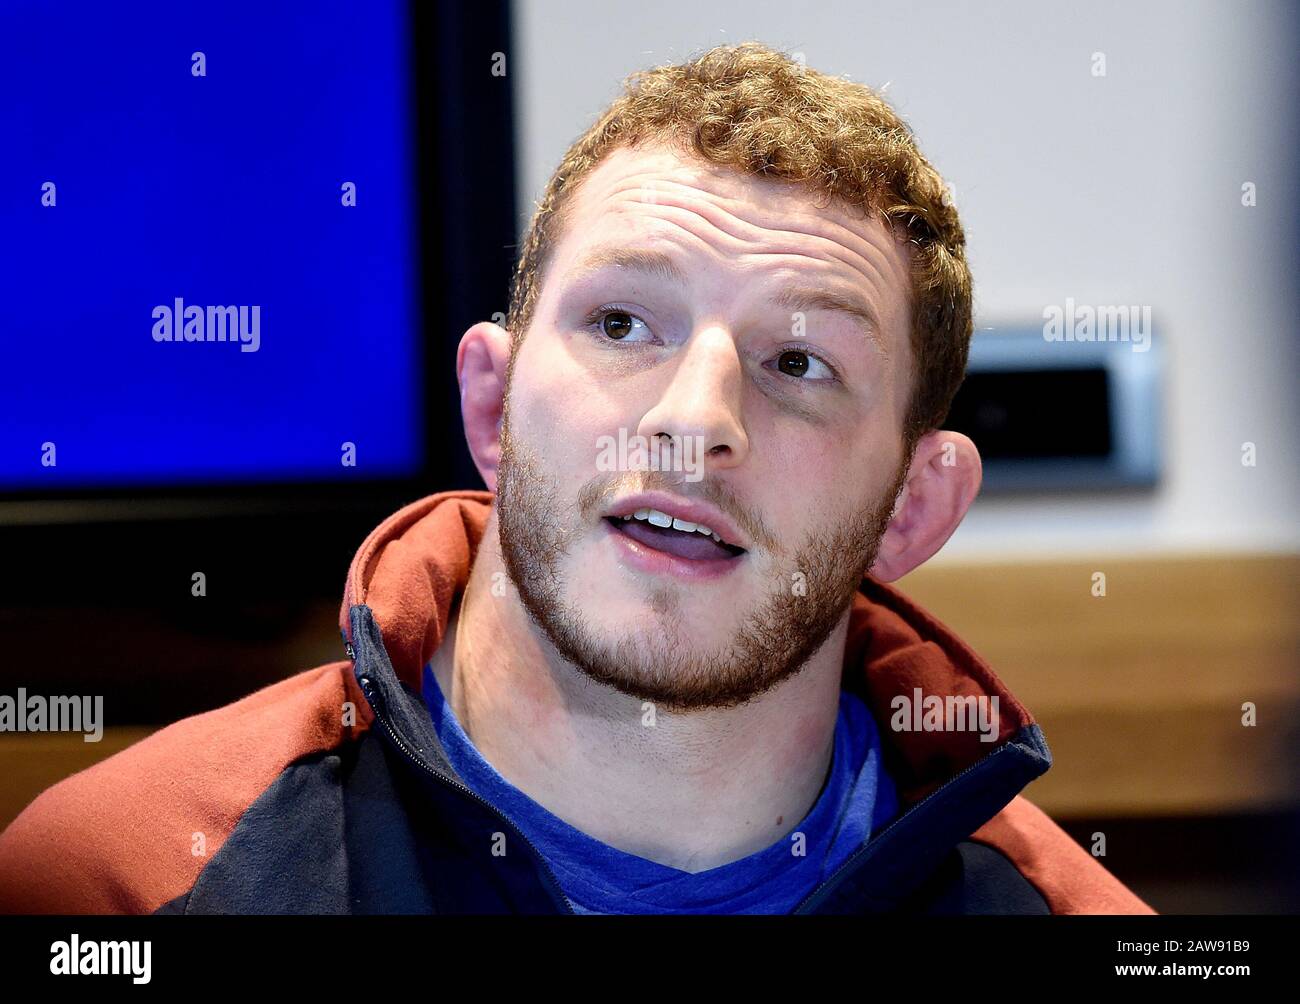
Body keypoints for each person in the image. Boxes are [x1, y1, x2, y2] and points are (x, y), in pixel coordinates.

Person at [0, 41, 1153, 915]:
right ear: (492, 405)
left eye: (798, 361)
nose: (691, 421)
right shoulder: (111, 882)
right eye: (619, 322)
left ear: (914, 505)